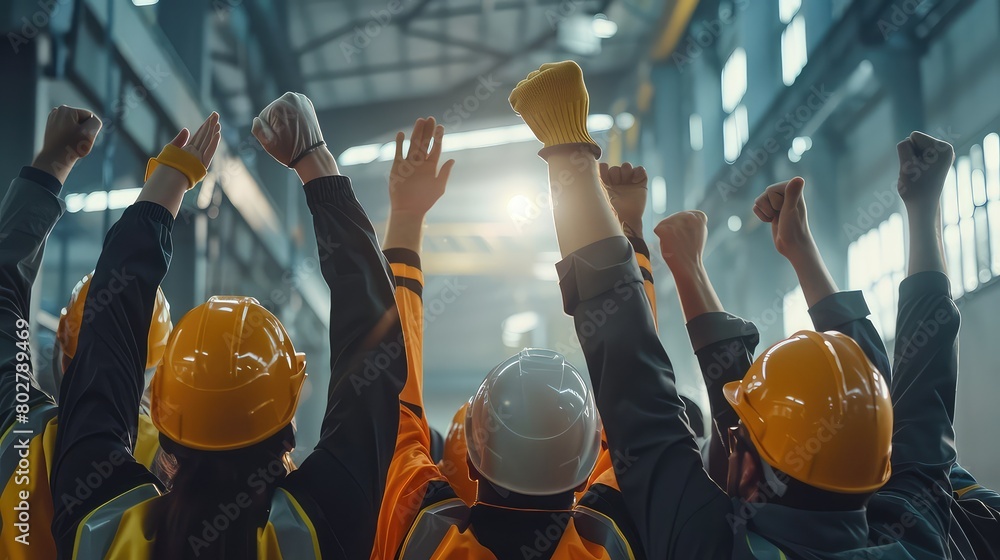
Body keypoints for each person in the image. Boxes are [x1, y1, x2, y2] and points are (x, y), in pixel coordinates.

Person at [49, 93, 414, 559]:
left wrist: (169, 185)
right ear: (289, 431)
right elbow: (374, 345)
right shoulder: (319, 528)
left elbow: (104, 344)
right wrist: (313, 160)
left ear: (163, 425)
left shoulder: (99, 526)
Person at [649, 131, 966, 557]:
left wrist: (922, 209)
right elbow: (897, 405)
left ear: (747, 473)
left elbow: (915, 406)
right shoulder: (922, 537)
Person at [0, 107, 166, 560]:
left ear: (60, 354)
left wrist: (54, 161)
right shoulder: (176, 468)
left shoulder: (21, 430)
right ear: (155, 369)